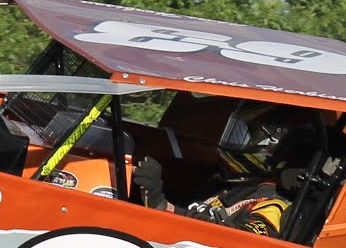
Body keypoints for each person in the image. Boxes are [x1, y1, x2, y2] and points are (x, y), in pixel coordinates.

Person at [134, 101, 319, 237]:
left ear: (273, 148)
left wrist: (163, 206)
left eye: (245, 133)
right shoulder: (226, 183)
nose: (235, 139)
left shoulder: (274, 205)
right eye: (236, 130)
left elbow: (240, 242)